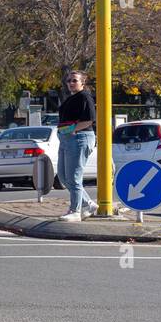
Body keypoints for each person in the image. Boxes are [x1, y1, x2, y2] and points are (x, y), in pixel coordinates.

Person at [56, 70, 97, 221]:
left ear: (82, 83)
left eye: (74, 80)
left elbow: (89, 120)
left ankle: (75, 211)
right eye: (69, 81)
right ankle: (89, 204)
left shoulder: (84, 97)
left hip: (79, 138)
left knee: (74, 177)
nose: (71, 83)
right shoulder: (70, 98)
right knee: (63, 176)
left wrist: (70, 130)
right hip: (67, 139)